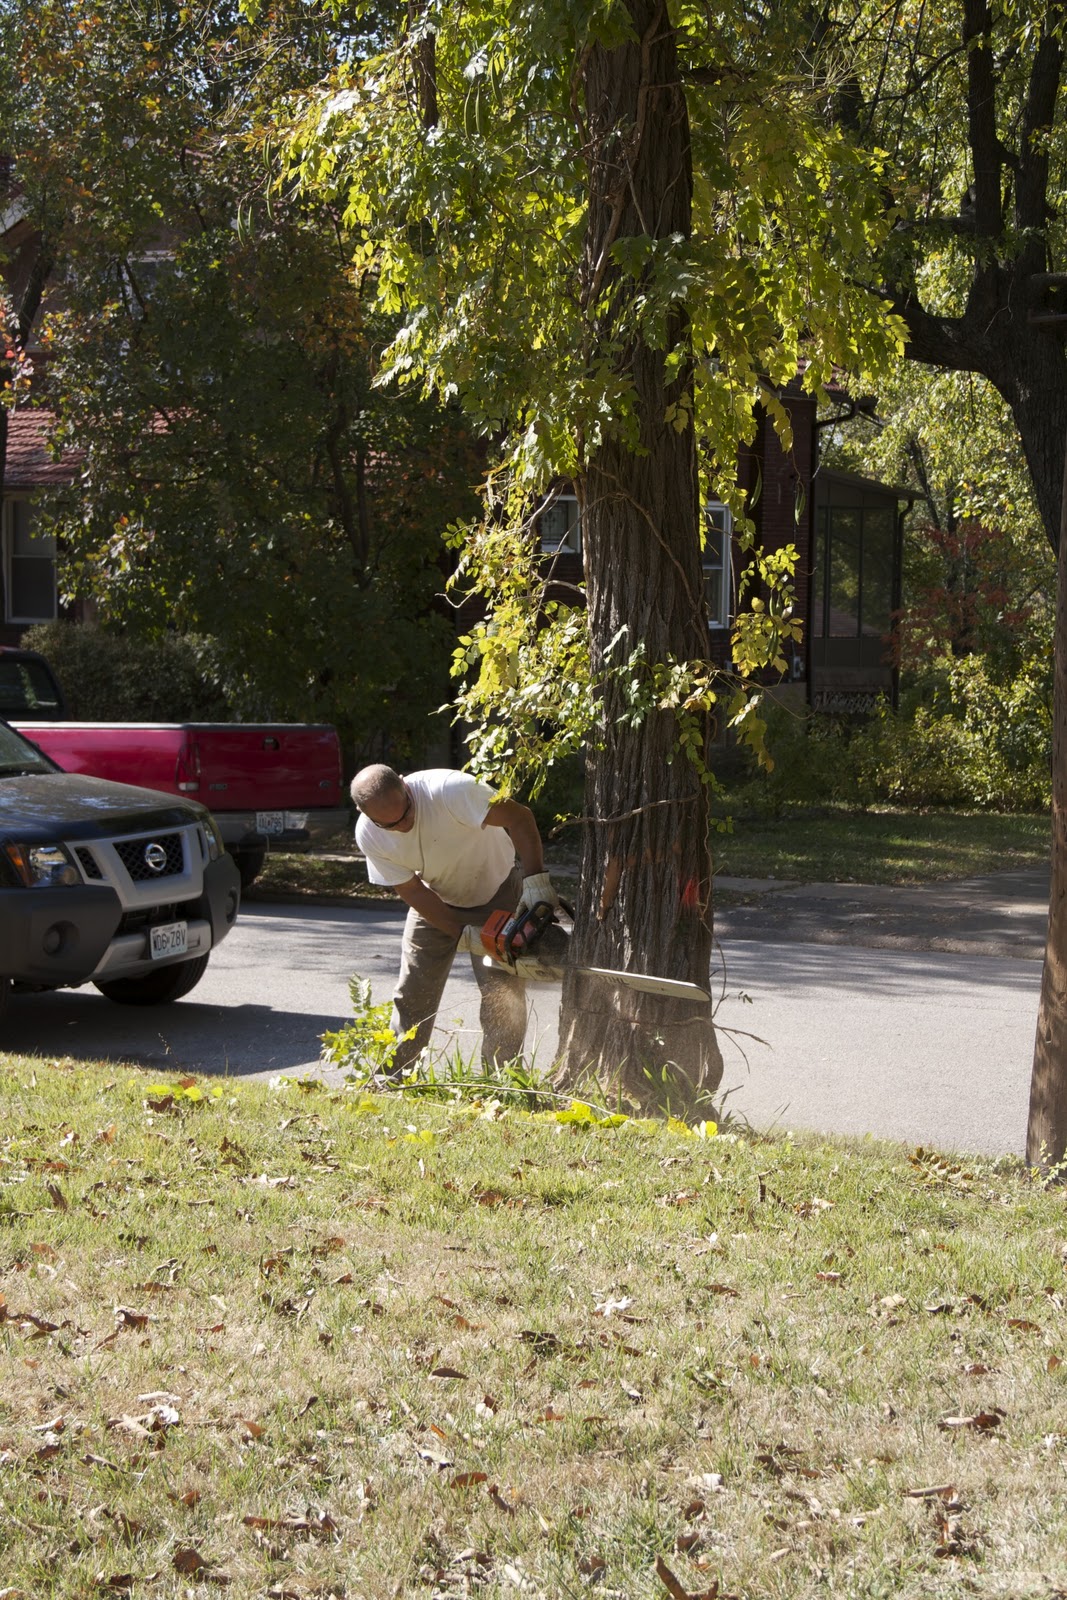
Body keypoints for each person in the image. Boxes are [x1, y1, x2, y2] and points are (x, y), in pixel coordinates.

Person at [350, 764, 559, 1078]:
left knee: (501, 993)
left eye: (406, 813)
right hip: (435, 900)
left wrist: (536, 882)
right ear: (365, 814)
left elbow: (519, 817)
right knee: (413, 992)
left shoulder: (451, 790)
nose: (403, 826)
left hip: (499, 892)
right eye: (389, 824)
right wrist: (460, 933)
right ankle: (395, 1076)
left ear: (405, 786)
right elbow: (409, 888)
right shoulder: (369, 835)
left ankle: (501, 1079)